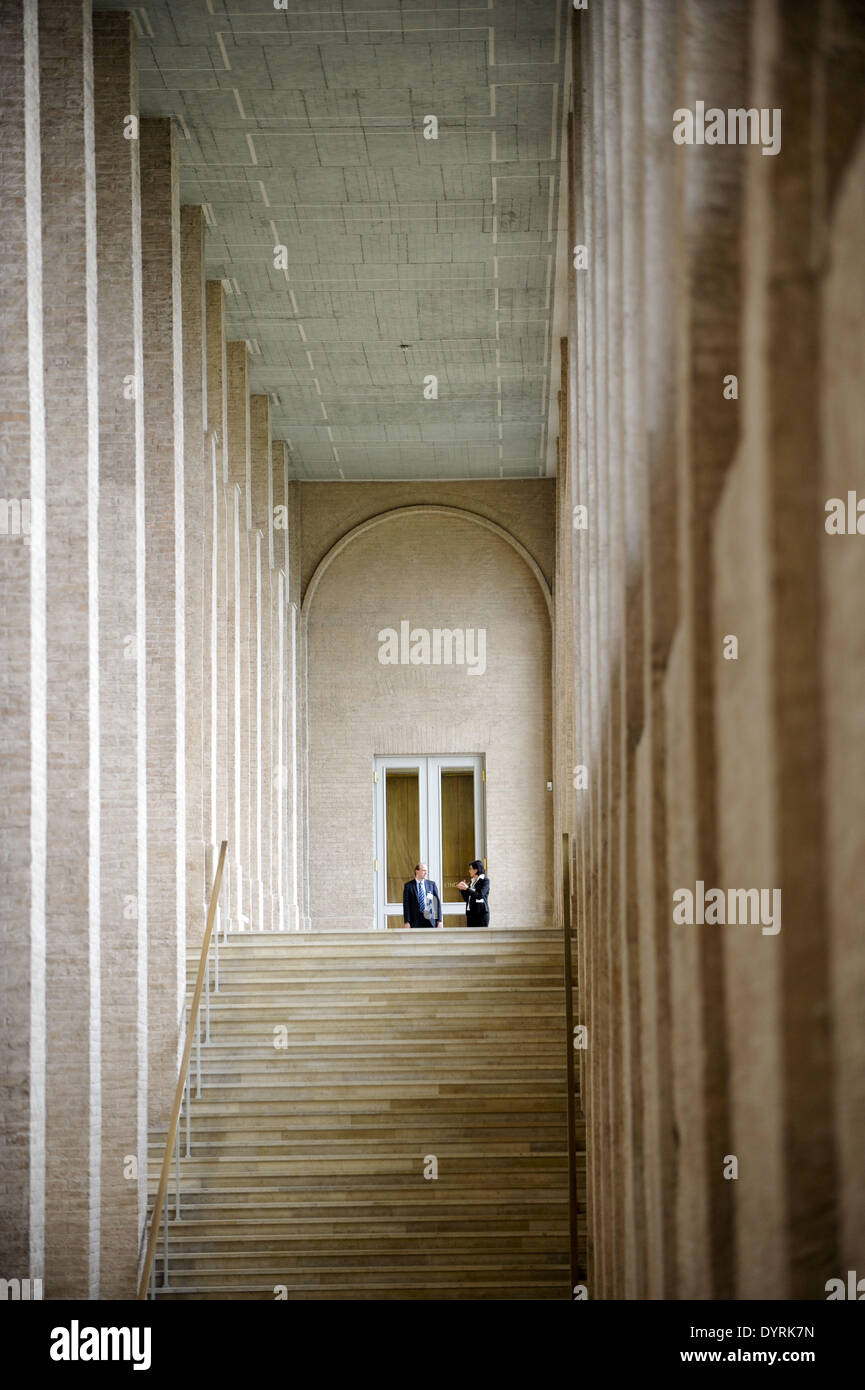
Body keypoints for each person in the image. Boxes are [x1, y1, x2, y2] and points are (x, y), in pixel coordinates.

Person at [403, 863, 443, 929]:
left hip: (430, 920)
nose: (426, 873)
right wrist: (407, 922)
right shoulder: (408, 886)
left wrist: (439, 920)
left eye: (426, 871)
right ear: (417, 871)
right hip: (415, 921)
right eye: (424, 870)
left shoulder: (431, 885)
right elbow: (406, 905)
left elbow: (437, 903)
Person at [457, 860, 490, 927]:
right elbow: (467, 899)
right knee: (470, 937)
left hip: (481, 915)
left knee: (481, 936)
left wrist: (467, 889)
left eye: (470, 869)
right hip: (470, 914)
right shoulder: (472, 882)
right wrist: (462, 889)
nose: (469, 871)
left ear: (476, 870)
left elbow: (480, 895)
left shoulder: (485, 881)